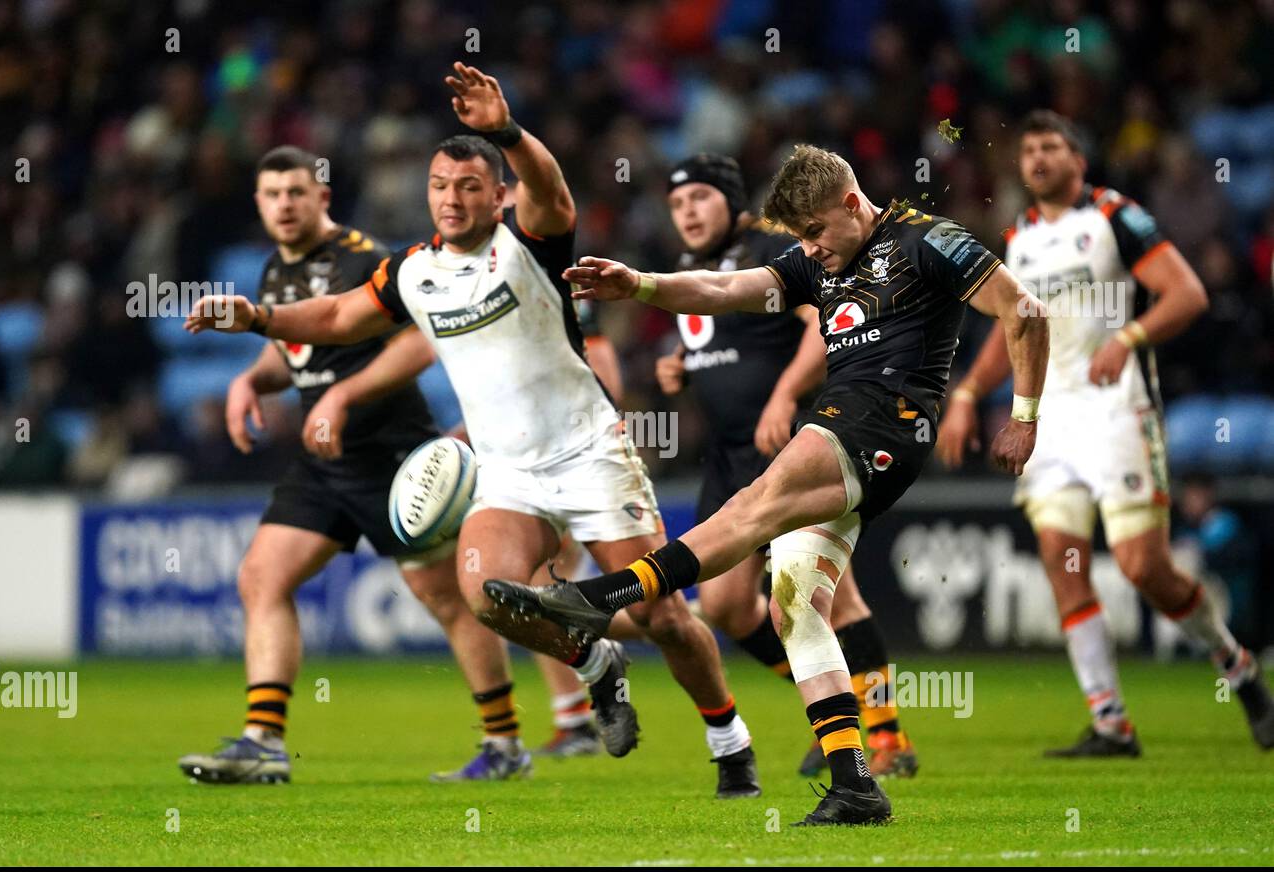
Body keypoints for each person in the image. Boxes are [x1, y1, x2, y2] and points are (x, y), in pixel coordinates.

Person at [186, 63, 761, 799]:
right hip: (506, 472)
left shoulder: (532, 244)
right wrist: (257, 317)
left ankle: (728, 738)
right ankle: (594, 667)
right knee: (488, 594)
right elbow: (332, 317)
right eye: (439, 186)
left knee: (660, 613)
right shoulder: (413, 271)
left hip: (591, 454)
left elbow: (553, 191)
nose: (451, 199)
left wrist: (508, 132)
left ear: (497, 195)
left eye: (467, 186)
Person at [483, 144, 1050, 825]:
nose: (808, 249)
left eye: (813, 232)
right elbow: (727, 290)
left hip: (881, 421)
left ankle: (596, 599)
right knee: (794, 607)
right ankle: (855, 784)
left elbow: (1025, 311)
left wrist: (1024, 417)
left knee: (753, 506)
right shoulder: (820, 260)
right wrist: (638, 284)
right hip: (849, 427)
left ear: (849, 203)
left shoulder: (927, 240)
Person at [179, 145, 532, 785]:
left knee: (448, 601)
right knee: (262, 576)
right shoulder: (275, 273)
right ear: (258, 205)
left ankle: (504, 742)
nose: (284, 205)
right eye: (272, 195)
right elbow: (294, 351)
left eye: (296, 193)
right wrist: (249, 382)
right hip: (322, 464)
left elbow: (420, 342)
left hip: (393, 456)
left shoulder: (361, 260)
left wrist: (343, 394)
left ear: (323, 199)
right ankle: (263, 741)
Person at [937, 110, 1274, 753]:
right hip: (1047, 420)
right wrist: (971, 392)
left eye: (1050, 147)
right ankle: (1110, 720)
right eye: (1028, 148)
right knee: (1064, 564)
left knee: (1143, 566)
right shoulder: (1022, 237)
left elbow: (1187, 293)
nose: (1035, 158)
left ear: (1078, 159)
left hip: (1118, 411)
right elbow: (1015, 327)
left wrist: (1130, 336)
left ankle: (1238, 666)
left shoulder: (1115, 215)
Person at [658, 152, 916, 779]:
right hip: (727, 456)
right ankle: (840, 707)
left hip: (786, 445)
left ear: (731, 200)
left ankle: (886, 737)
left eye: (699, 197)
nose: (687, 212)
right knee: (722, 606)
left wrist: (782, 395)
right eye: (676, 205)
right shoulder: (697, 267)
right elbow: (728, 342)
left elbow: (822, 323)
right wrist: (680, 365)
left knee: (828, 598)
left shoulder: (776, 244)